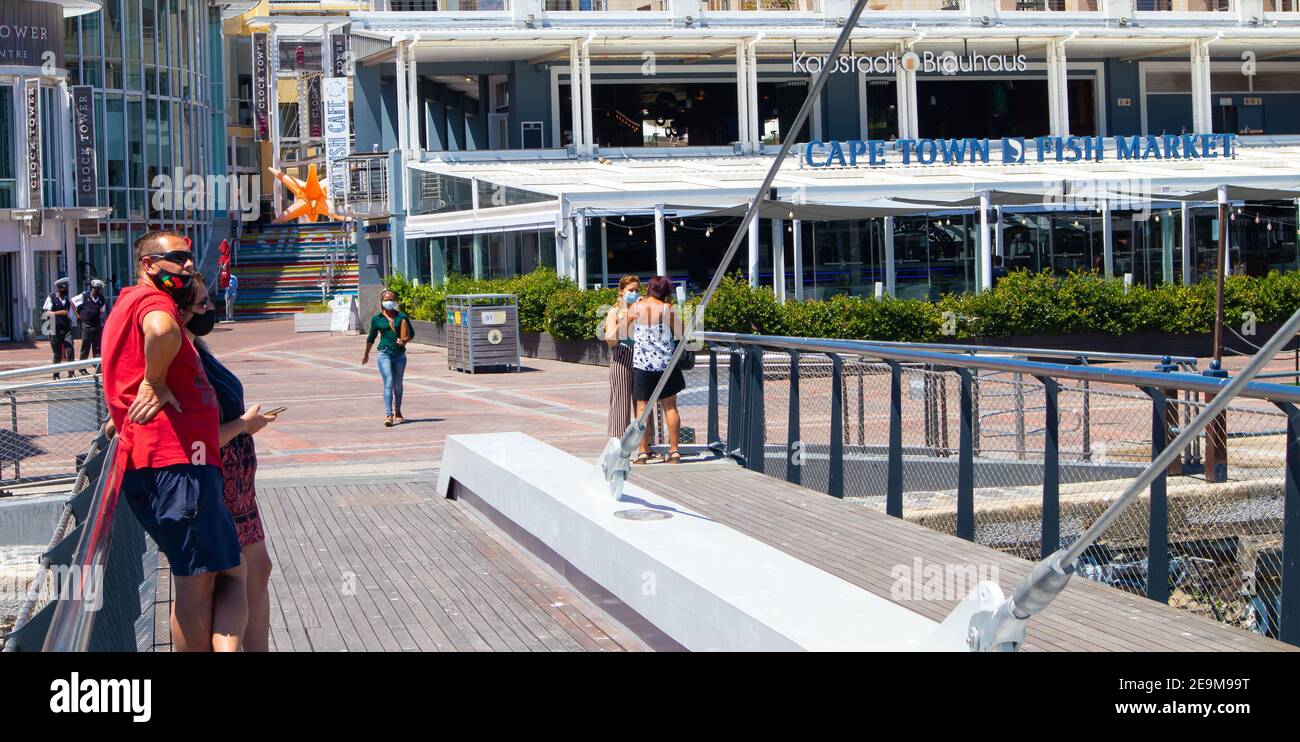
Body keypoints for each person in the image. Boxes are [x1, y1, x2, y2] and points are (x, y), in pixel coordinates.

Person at [100, 230, 247, 652]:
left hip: (170, 465)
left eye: (188, 258)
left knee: (206, 577)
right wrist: (155, 380)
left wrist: (122, 414)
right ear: (149, 265)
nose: (187, 265)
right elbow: (162, 331)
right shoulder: (152, 302)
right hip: (177, 464)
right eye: (177, 258)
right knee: (198, 585)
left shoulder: (129, 302)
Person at [181, 276, 279, 652]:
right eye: (203, 304)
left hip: (238, 486)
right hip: (215, 483)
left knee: (256, 570)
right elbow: (191, 441)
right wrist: (243, 425)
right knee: (227, 579)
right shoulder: (177, 360)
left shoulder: (197, 349)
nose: (211, 308)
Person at [630, 276, 685, 464]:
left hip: (643, 365)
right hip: (665, 364)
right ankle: (674, 451)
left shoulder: (637, 307)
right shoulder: (667, 309)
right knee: (670, 406)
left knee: (642, 407)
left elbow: (622, 328)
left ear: (649, 289)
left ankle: (643, 452)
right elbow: (681, 332)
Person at [362, 290, 412, 427]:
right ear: (382, 302)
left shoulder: (402, 317)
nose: (388, 302)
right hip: (384, 353)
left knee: (398, 385)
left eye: (391, 299)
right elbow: (371, 338)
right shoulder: (377, 318)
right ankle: (389, 415)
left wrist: (404, 340)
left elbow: (411, 334)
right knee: (388, 382)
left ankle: (398, 410)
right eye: (386, 299)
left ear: (394, 301)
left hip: (399, 355)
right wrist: (366, 354)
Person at [604, 275, 642, 439]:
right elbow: (610, 340)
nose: (634, 293)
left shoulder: (643, 310)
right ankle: (617, 443)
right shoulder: (614, 311)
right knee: (620, 402)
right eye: (630, 290)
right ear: (621, 292)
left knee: (643, 402)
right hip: (622, 355)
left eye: (636, 290)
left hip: (641, 356)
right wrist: (625, 319)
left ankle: (646, 444)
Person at [74, 279, 109, 371]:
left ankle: (98, 368)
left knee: (97, 347)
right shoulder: (84, 296)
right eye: (94, 288)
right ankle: (82, 368)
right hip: (86, 325)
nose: (96, 290)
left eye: (98, 289)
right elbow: (72, 301)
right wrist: (77, 315)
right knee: (85, 346)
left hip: (96, 326)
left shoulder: (101, 299)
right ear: (92, 288)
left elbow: (102, 311)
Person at [42, 277, 73, 379]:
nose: (67, 290)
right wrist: (59, 312)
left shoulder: (66, 301)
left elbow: (68, 315)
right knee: (57, 354)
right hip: (53, 329)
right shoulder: (51, 298)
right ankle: (56, 375)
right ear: (60, 288)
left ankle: (71, 373)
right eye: (65, 288)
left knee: (70, 349)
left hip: (65, 330)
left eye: (67, 287)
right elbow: (45, 313)